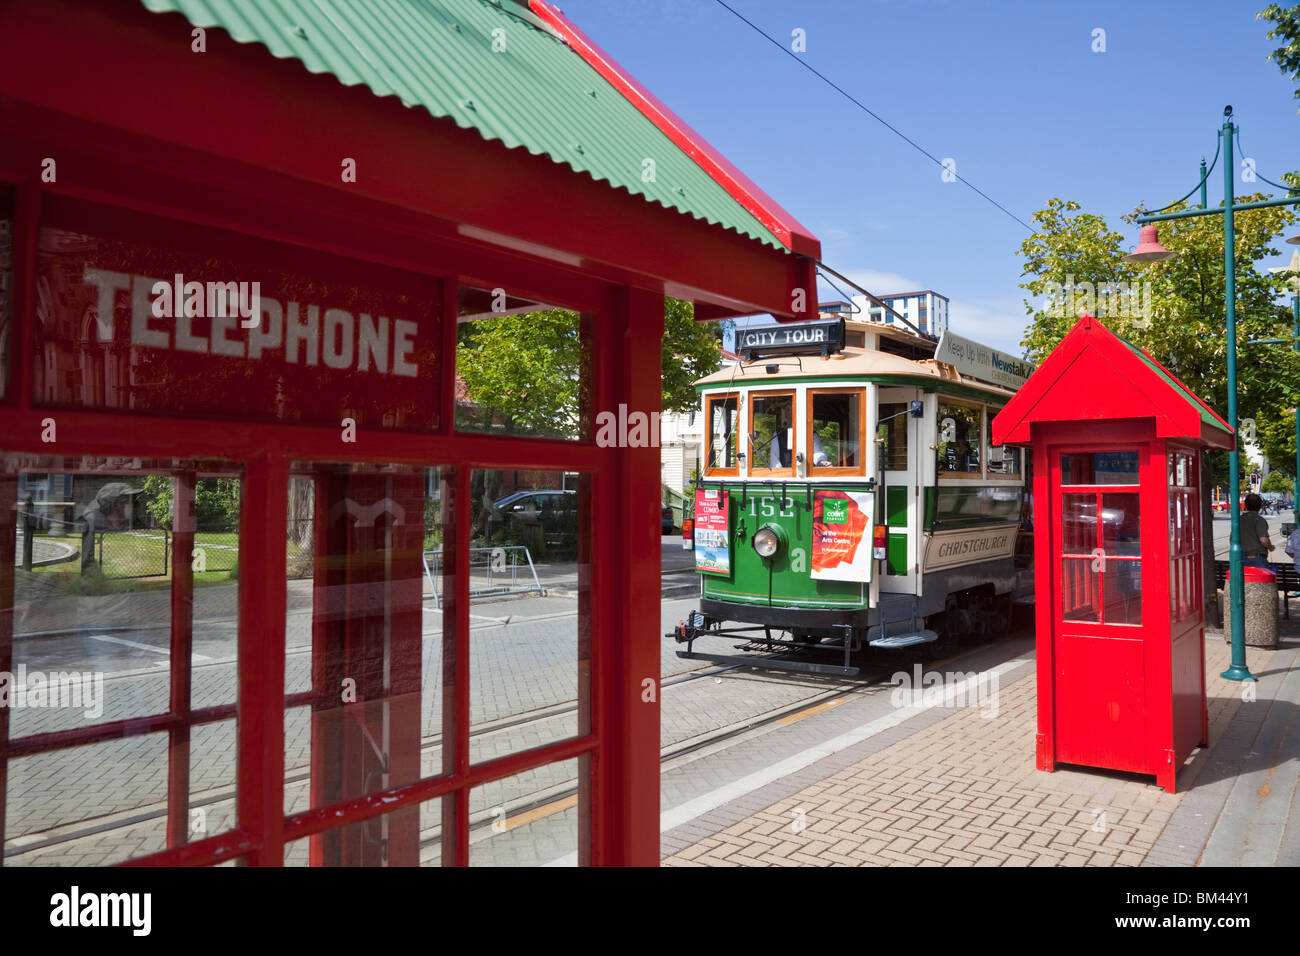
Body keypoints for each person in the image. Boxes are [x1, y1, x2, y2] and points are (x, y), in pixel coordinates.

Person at [1239, 493, 1275, 569]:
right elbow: (1264, 540)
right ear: (1260, 506)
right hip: (1257, 559)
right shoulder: (1259, 520)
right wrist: (1271, 547)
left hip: (1240, 558)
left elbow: (1232, 541)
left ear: (1246, 505)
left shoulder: (1239, 520)